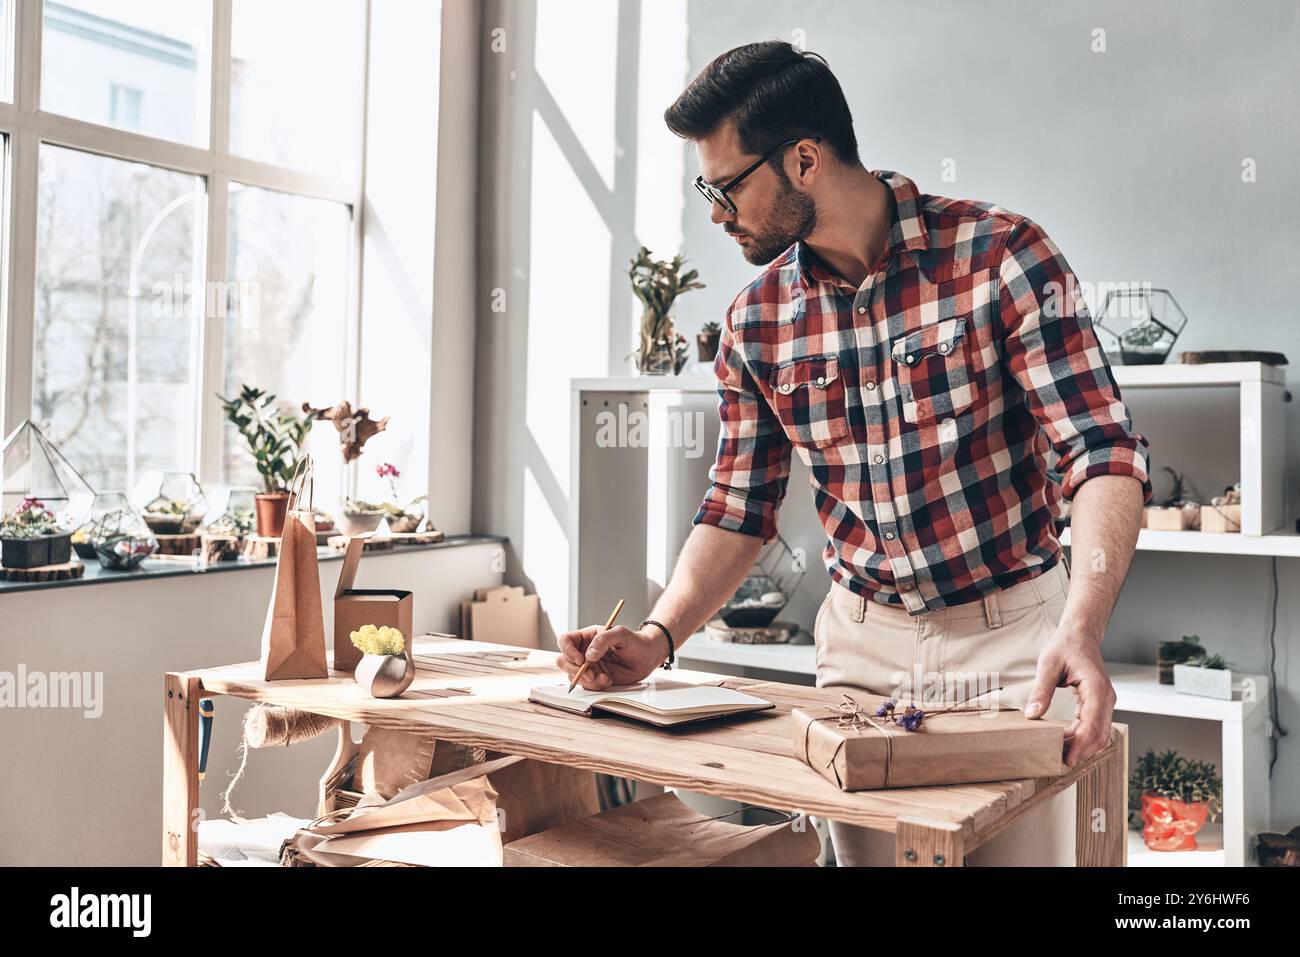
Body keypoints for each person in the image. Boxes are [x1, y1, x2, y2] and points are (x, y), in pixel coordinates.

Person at [557, 39, 1152, 865]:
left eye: (726, 187)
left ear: (804, 158)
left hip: (1016, 646)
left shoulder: (1002, 257)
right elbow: (737, 508)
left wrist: (1083, 628)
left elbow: (1103, 455)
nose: (717, 213)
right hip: (860, 657)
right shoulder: (755, 322)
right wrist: (659, 636)